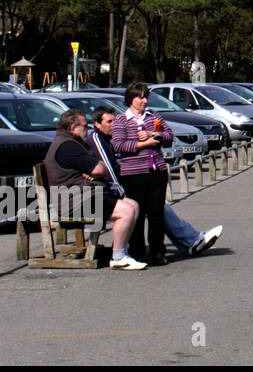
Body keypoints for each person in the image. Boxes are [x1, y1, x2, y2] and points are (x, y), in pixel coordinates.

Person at [89, 106, 221, 258]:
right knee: (154, 206)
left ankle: (189, 240)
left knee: (157, 205)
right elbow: (109, 170)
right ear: (97, 124)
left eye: (114, 121)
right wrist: (122, 192)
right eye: (109, 121)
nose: (114, 125)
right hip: (104, 193)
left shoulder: (109, 139)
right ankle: (188, 240)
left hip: (117, 187)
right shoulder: (97, 139)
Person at [44, 109, 147, 270]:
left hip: (81, 195)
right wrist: (100, 167)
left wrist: (97, 168)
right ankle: (118, 257)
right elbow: (98, 169)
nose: (88, 129)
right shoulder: (68, 146)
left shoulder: (70, 143)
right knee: (126, 211)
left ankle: (122, 251)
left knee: (133, 205)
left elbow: (95, 167)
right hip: (74, 202)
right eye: (85, 126)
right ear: (73, 128)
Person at [111, 82, 173, 266]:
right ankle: (137, 252)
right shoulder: (122, 120)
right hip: (133, 173)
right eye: (140, 98)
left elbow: (169, 135)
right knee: (136, 213)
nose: (144, 101)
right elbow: (119, 145)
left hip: (156, 170)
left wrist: (154, 134)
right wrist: (143, 144)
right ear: (131, 99)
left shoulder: (154, 116)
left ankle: (158, 252)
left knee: (156, 213)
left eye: (146, 97)